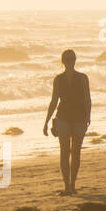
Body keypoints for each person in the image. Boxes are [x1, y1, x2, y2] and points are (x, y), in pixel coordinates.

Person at [43, 49, 91, 195]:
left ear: (75, 60)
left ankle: (73, 184)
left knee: (76, 153)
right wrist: (46, 121)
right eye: (67, 59)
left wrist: (88, 116)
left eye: (72, 59)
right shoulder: (58, 79)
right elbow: (54, 101)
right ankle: (66, 186)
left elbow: (87, 98)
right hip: (62, 117)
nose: (70, 61)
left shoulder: (83, 78)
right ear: (63, 61)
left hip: (79, 118)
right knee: (64, 152)